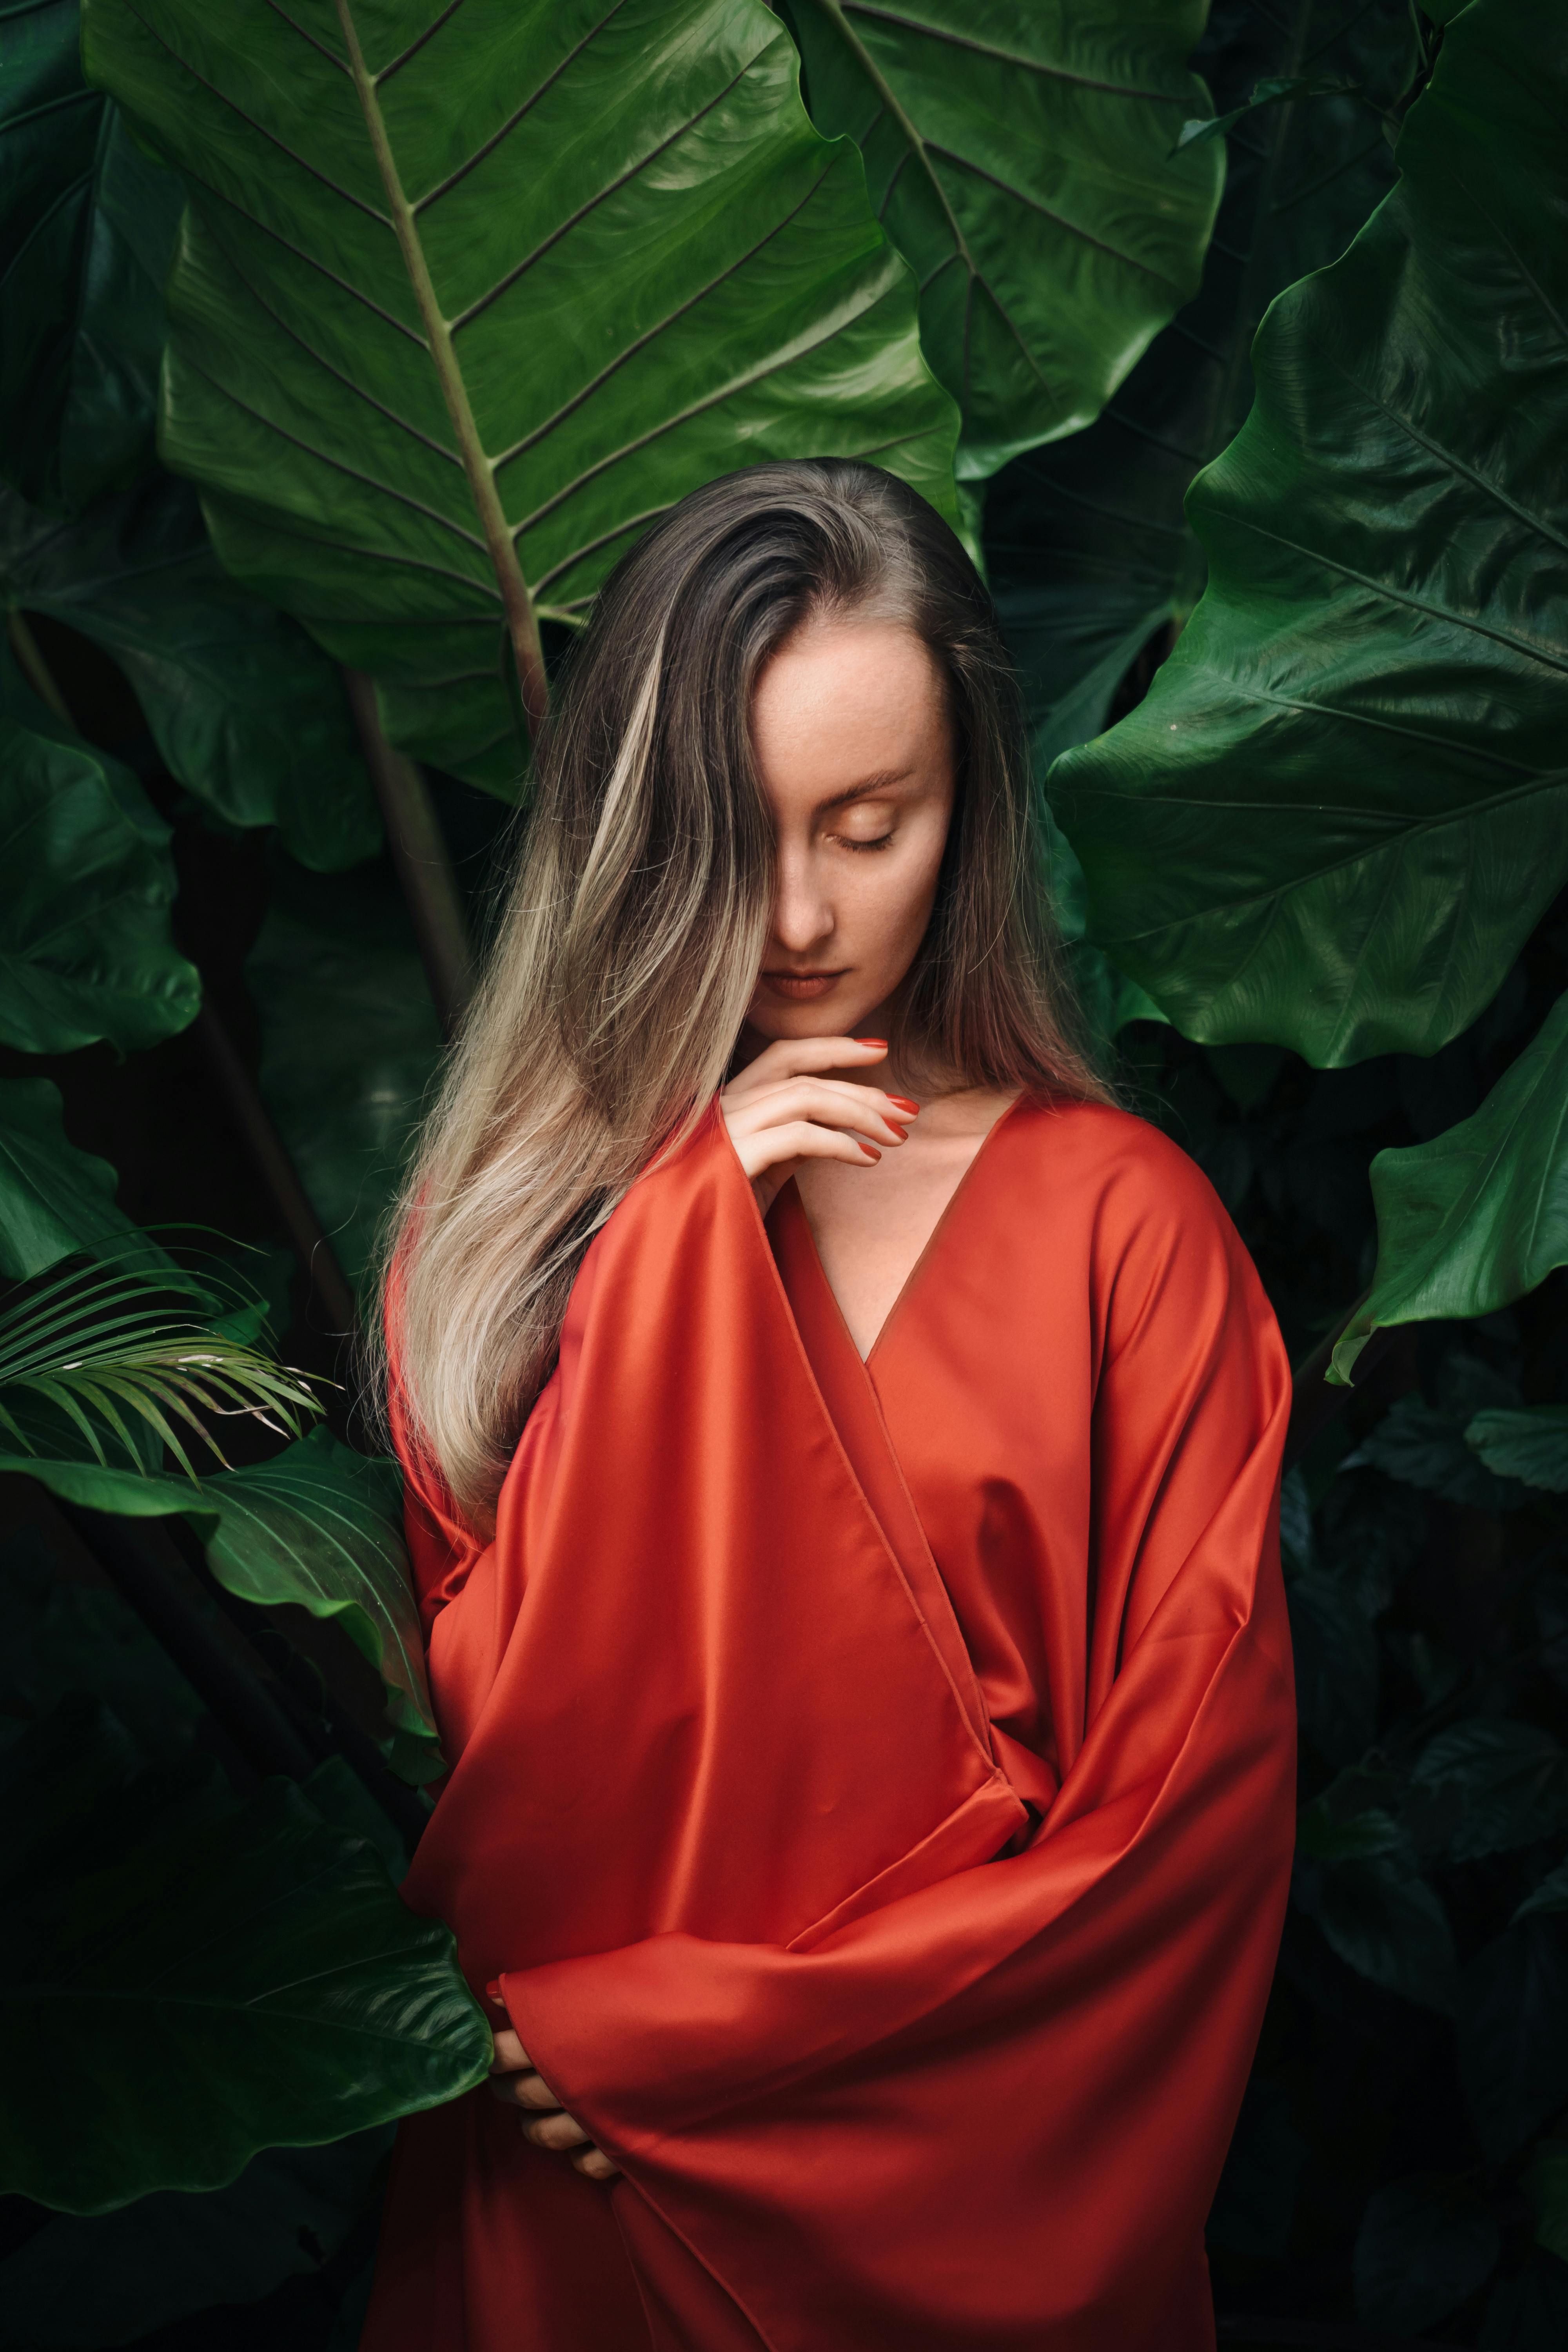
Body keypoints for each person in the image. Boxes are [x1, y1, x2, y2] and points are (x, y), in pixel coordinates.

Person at [361, 461, 1295, 2352]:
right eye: (740, 833)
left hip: (940, 2170)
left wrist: (673, 2050)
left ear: (968, 812)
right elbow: (528, 1739)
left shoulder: (1128, 1228)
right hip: (578, 2202)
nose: (798, 912)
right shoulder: (511, 1241)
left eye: (869, 827)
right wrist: (674, 1248)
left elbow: (1177, 1842)